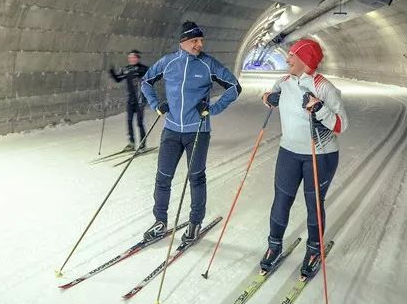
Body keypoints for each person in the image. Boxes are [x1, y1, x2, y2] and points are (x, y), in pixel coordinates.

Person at [140, 21, 241, 244]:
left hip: (198, 131)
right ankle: (160, 222)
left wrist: (213, 109)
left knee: (196, 178)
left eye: (201, 40)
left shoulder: (208, 64)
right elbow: (146, 82)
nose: (199, 44)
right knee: (163, 178)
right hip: (171, 130)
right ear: (183, 42)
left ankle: (195, 223)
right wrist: (157, 105)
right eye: (195, 40)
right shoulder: (168, 62)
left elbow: (235, 87)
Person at [258, 38, 348, 277]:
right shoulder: (284, 82)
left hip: (320, 155)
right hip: (288, 152)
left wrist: (319, 109)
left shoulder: (324, 88)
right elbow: (266, 96)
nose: (287, 59)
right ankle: (274, 246)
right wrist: (268, 98)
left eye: (292, 56)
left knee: (313, 205)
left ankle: (314, 249)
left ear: (305, 60)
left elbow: (341, 124)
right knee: (281, 199)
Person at [109, 50, 149, 151]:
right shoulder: (127, 69)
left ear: (137, 58)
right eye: (129, 58)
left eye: (133, 57)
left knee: (139, 123)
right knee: (129, 121)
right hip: (131, 100)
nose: (131, 59)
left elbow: (148, 78)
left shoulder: (143, 69)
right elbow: (118, 79)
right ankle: (131, 143)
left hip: (140, 100)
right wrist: (112, 72)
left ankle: (142, 144)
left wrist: (139, 75)